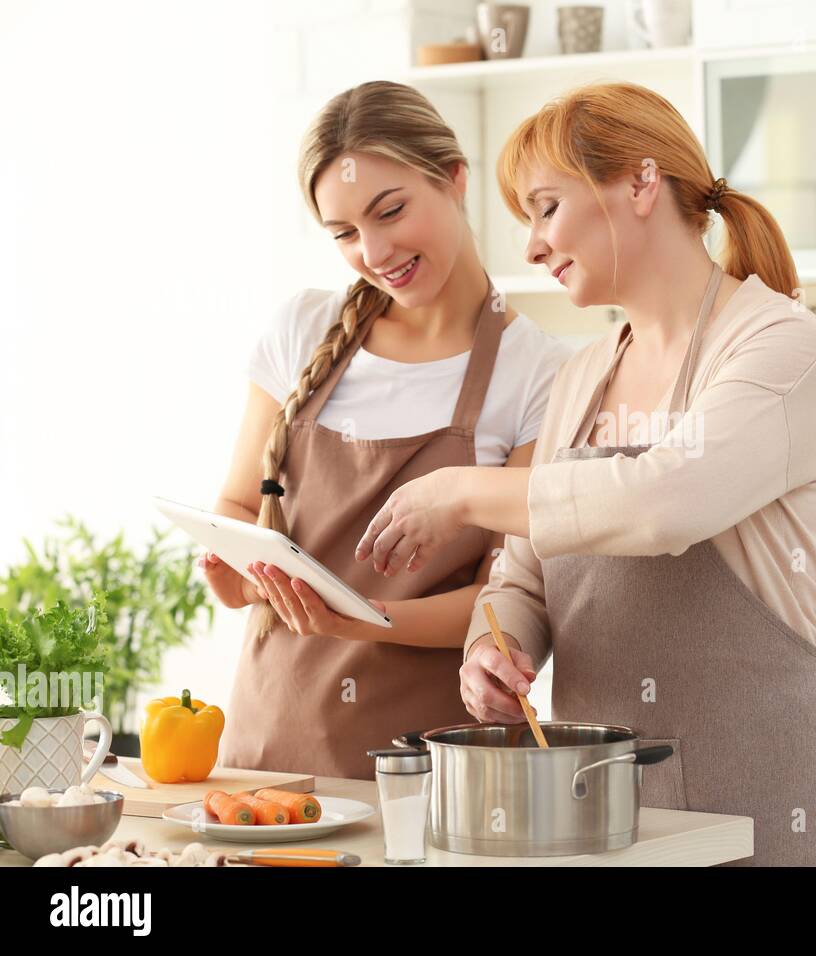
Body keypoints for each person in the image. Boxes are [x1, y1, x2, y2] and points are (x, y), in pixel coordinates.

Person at [355, 82, 816, 864]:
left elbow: (667, 498)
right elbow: (521, 577)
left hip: (763, 794)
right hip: (605, 813)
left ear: (640, 182)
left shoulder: (776, 346)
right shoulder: (582, 375)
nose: (530, 245)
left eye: (545, 208)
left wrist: (460, 491)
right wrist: (490, 650)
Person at [202, 81, 570, 779]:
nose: (373, 250)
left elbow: (510, 594)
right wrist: (245, 575)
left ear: (454, 179)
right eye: (343, 233)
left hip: (436, 772)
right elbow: (237, 510)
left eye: (391, 211)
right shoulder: (302, 330)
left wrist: (356, 617)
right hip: (266, 758)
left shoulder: (539, 371)